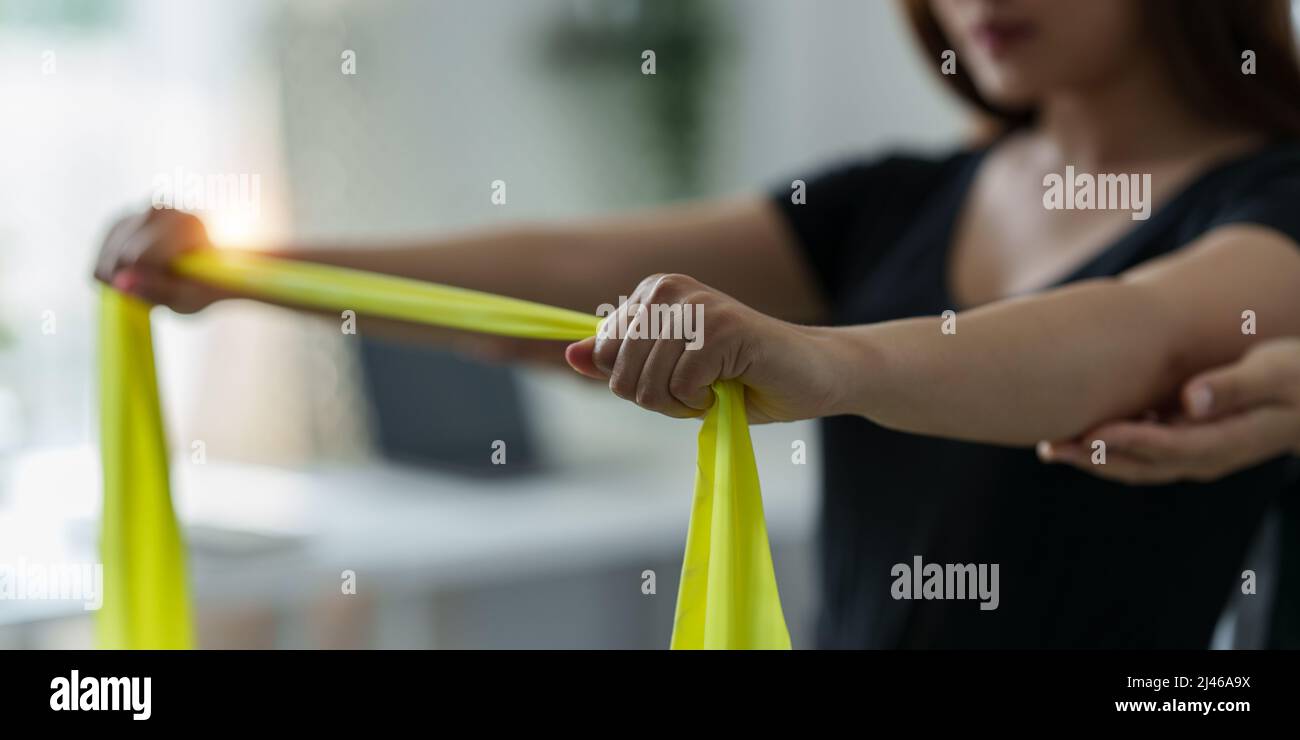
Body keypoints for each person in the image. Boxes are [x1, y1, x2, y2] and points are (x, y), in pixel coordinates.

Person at [94, 0, 1300, 648]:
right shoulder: (893, 200)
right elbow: (566, 274)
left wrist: (821, 362)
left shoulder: (1273, 200)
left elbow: (1133, 334)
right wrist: (249, 273)